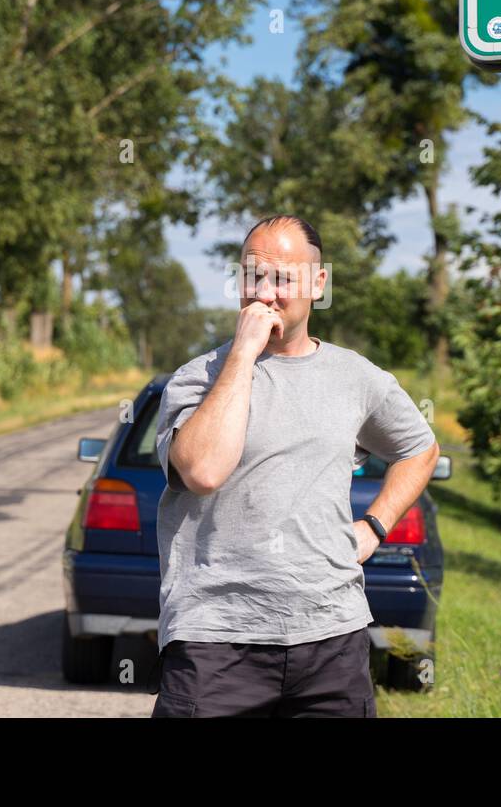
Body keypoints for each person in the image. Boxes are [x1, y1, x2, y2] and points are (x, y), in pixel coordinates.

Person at [149, 214, 439, 717]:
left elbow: (420, 448)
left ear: (318, 283)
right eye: (252, 276)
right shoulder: (198, 378)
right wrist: (243, 354)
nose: (265, 293)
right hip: (216, 641)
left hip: (332, 638)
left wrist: (375, 525)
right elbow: (202, 471)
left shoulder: (356, 378)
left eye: (282, 278)